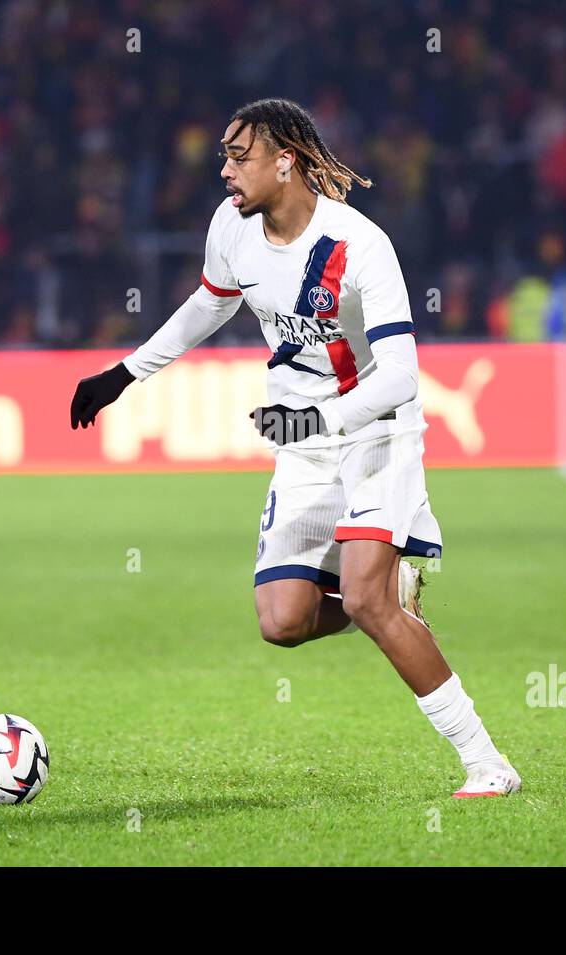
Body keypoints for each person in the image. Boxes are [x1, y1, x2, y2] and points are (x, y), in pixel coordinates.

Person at [71, 98, 520, 798]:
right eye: (224, 155)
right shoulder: (233, 227)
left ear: (286, 160)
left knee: (367, 603)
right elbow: (208, 304)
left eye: (238, 156)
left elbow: (401, 375)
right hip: (303, 445)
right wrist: (125, 372)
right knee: (283, 623)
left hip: (374, 433)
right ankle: (391, 591)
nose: (224, 171)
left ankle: (487, 763)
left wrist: (322, 423)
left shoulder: (359, 244)